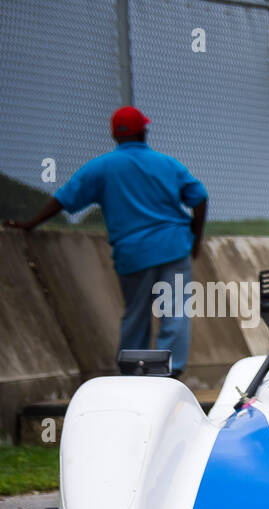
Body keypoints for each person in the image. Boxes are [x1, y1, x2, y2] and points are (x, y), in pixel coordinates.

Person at [4, 106, 207, 376]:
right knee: (175, 312)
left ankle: (132, 369)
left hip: (133, 253)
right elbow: (199, 196)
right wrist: (195, 238)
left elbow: (64, 199)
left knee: (137, 313)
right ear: (144, 131)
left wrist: (30, 223)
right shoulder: (167, 164)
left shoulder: (101, 168)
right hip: (172, 246)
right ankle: (168, 371)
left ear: (114, 135)